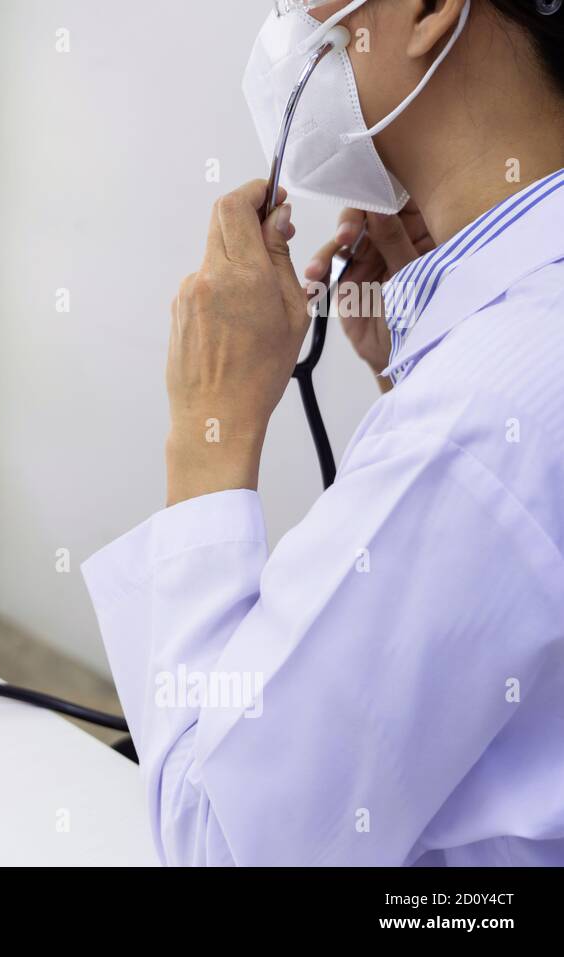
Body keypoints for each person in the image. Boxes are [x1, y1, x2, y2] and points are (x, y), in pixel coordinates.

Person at [83, 0, 564, 864]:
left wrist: (209, 422)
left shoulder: (474, 424)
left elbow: (221, 841)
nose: (283, 21)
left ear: (427, 10)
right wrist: (412, 362)